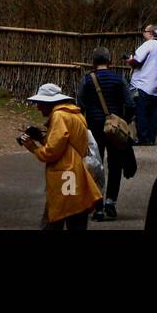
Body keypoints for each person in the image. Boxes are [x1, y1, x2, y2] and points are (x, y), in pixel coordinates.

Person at [19, 83, 103, 230]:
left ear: (49, 102)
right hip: (75, 172)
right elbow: (64, 144)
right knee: (75, 214)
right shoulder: (74, 113)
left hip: (66, 174)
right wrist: (41, 138)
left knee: (61, 214)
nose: (38, 108)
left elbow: (51, 152)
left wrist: (33, 147)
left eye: (40, 103)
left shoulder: (59, 116)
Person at [75, 47, 135, 221]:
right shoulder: (118, 79)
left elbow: (80, 106)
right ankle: (111, 201)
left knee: (95, 165)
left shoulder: (87, 80)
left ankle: (98, 206)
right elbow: (130, 103)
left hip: (94, 128)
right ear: (109, 61)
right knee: (115, 164)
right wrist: (122, 120)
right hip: (114, 129)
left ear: (93, 63)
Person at [124, 25, 157, 145]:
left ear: (151, 33)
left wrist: (128, 59)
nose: (143, 34)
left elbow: (137, 61)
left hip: (143, 85)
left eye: (145, 31)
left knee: (141, 113)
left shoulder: (148, 44)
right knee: (153, 113)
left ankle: (143, 139)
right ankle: (151, 139)